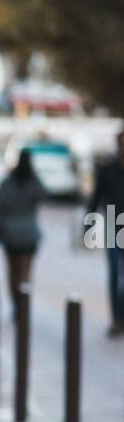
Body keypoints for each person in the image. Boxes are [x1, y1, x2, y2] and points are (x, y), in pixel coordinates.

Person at [0, 148, 47, 315]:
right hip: (28, 233)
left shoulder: (7, 183)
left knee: (13, 272)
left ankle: (17, 304)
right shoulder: (32, 181)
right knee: (25, 272)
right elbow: (44, 194)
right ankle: (23, 304)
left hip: (10, 233)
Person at [87, 130, 124, 336]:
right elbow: (96, 196)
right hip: (112, 224)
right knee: (114, 273)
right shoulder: (107, 170)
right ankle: (116, 319)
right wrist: (89, 223)